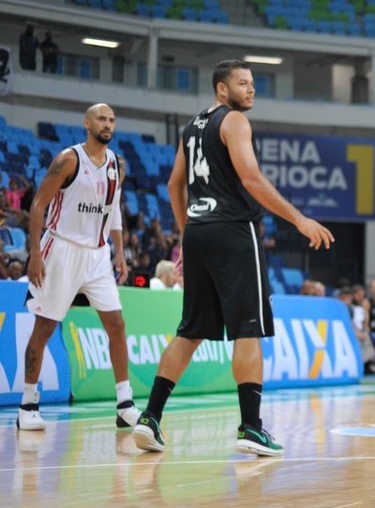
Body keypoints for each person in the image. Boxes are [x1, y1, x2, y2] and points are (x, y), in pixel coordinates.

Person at [131, 60, 334, 457]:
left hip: (199, 231)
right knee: (248, 329)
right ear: (221, 89)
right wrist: (299, 220)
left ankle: (150, 417)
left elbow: (175, 184)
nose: (251, 89)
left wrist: (186, 233)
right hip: (234, 232)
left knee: (190, 331)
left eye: (253, 83)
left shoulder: (190, 127)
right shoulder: (234, 121)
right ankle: (251, 427)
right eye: (243, 83)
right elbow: (252, 179)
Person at [17, 103, 141, 431]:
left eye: (112, 120)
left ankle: (125, 403)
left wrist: (119, 251)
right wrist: (35, 253)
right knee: (44, 328)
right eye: (101, 118)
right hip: (61, 248)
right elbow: (38, 205)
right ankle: (28, 404)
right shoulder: (68, 160)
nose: (107, 124)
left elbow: (113, 210)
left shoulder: (116, 163)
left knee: (117, 324)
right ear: (87, 123)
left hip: (98, 255)